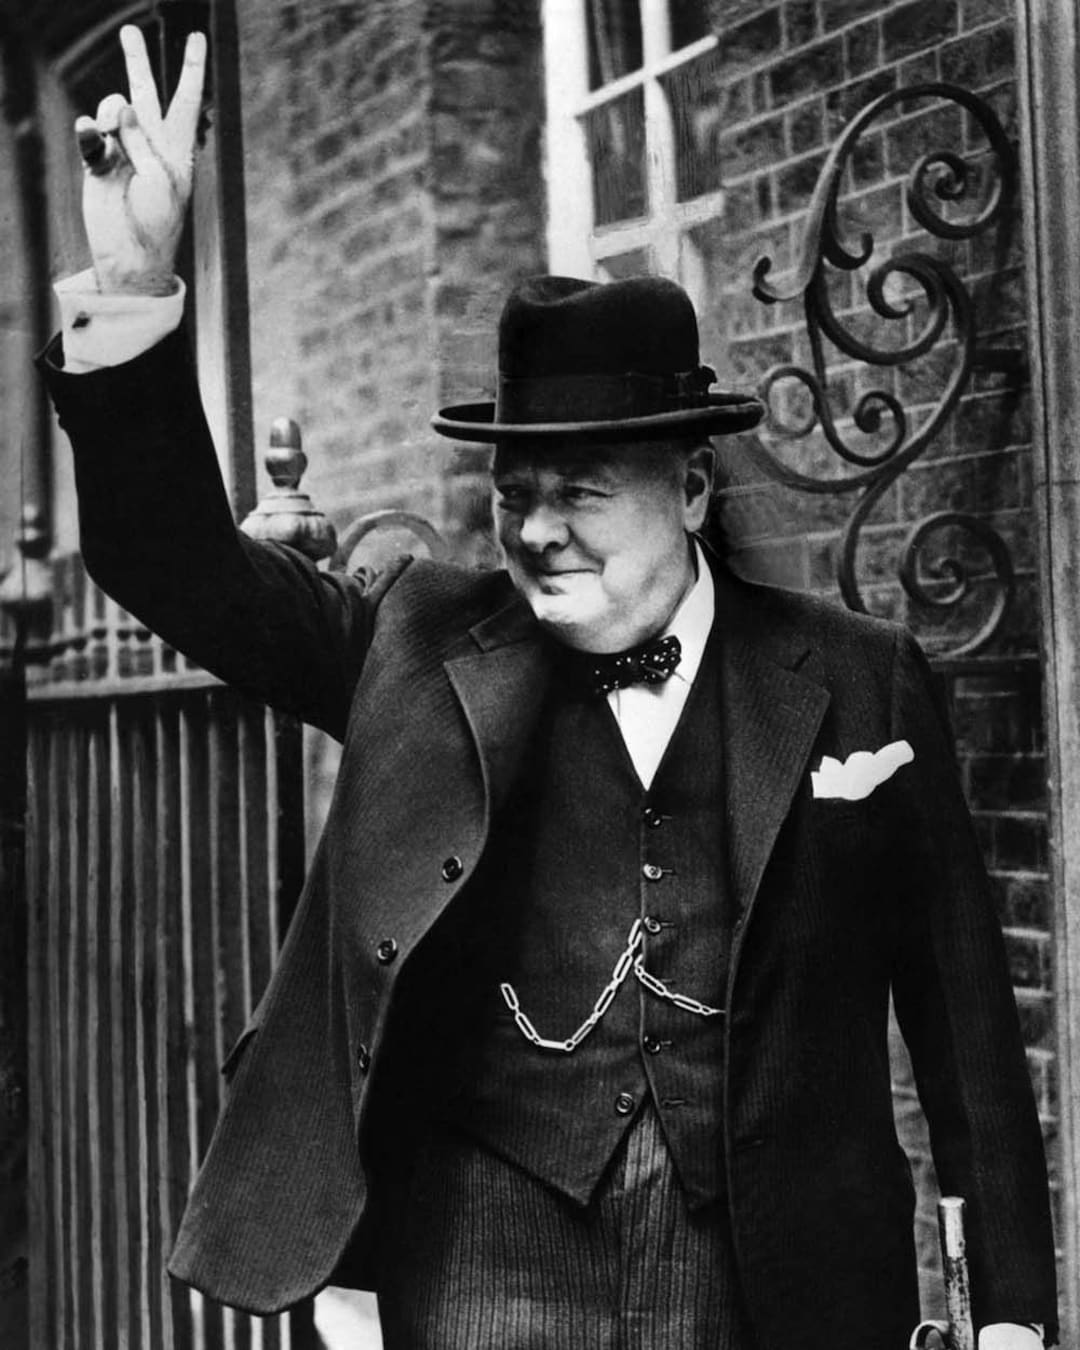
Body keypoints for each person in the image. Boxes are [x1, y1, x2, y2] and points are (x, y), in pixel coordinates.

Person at [40, 25, 1057, 1350]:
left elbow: (970, 1039)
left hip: (778, 1274)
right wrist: (133, 285)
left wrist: (1008, 1326)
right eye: (517, 495)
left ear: (691, 486)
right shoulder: (419, 641)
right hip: (486, 1261)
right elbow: (171, 559)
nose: (535, 530)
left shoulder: (862, 686)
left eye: (580, 490)